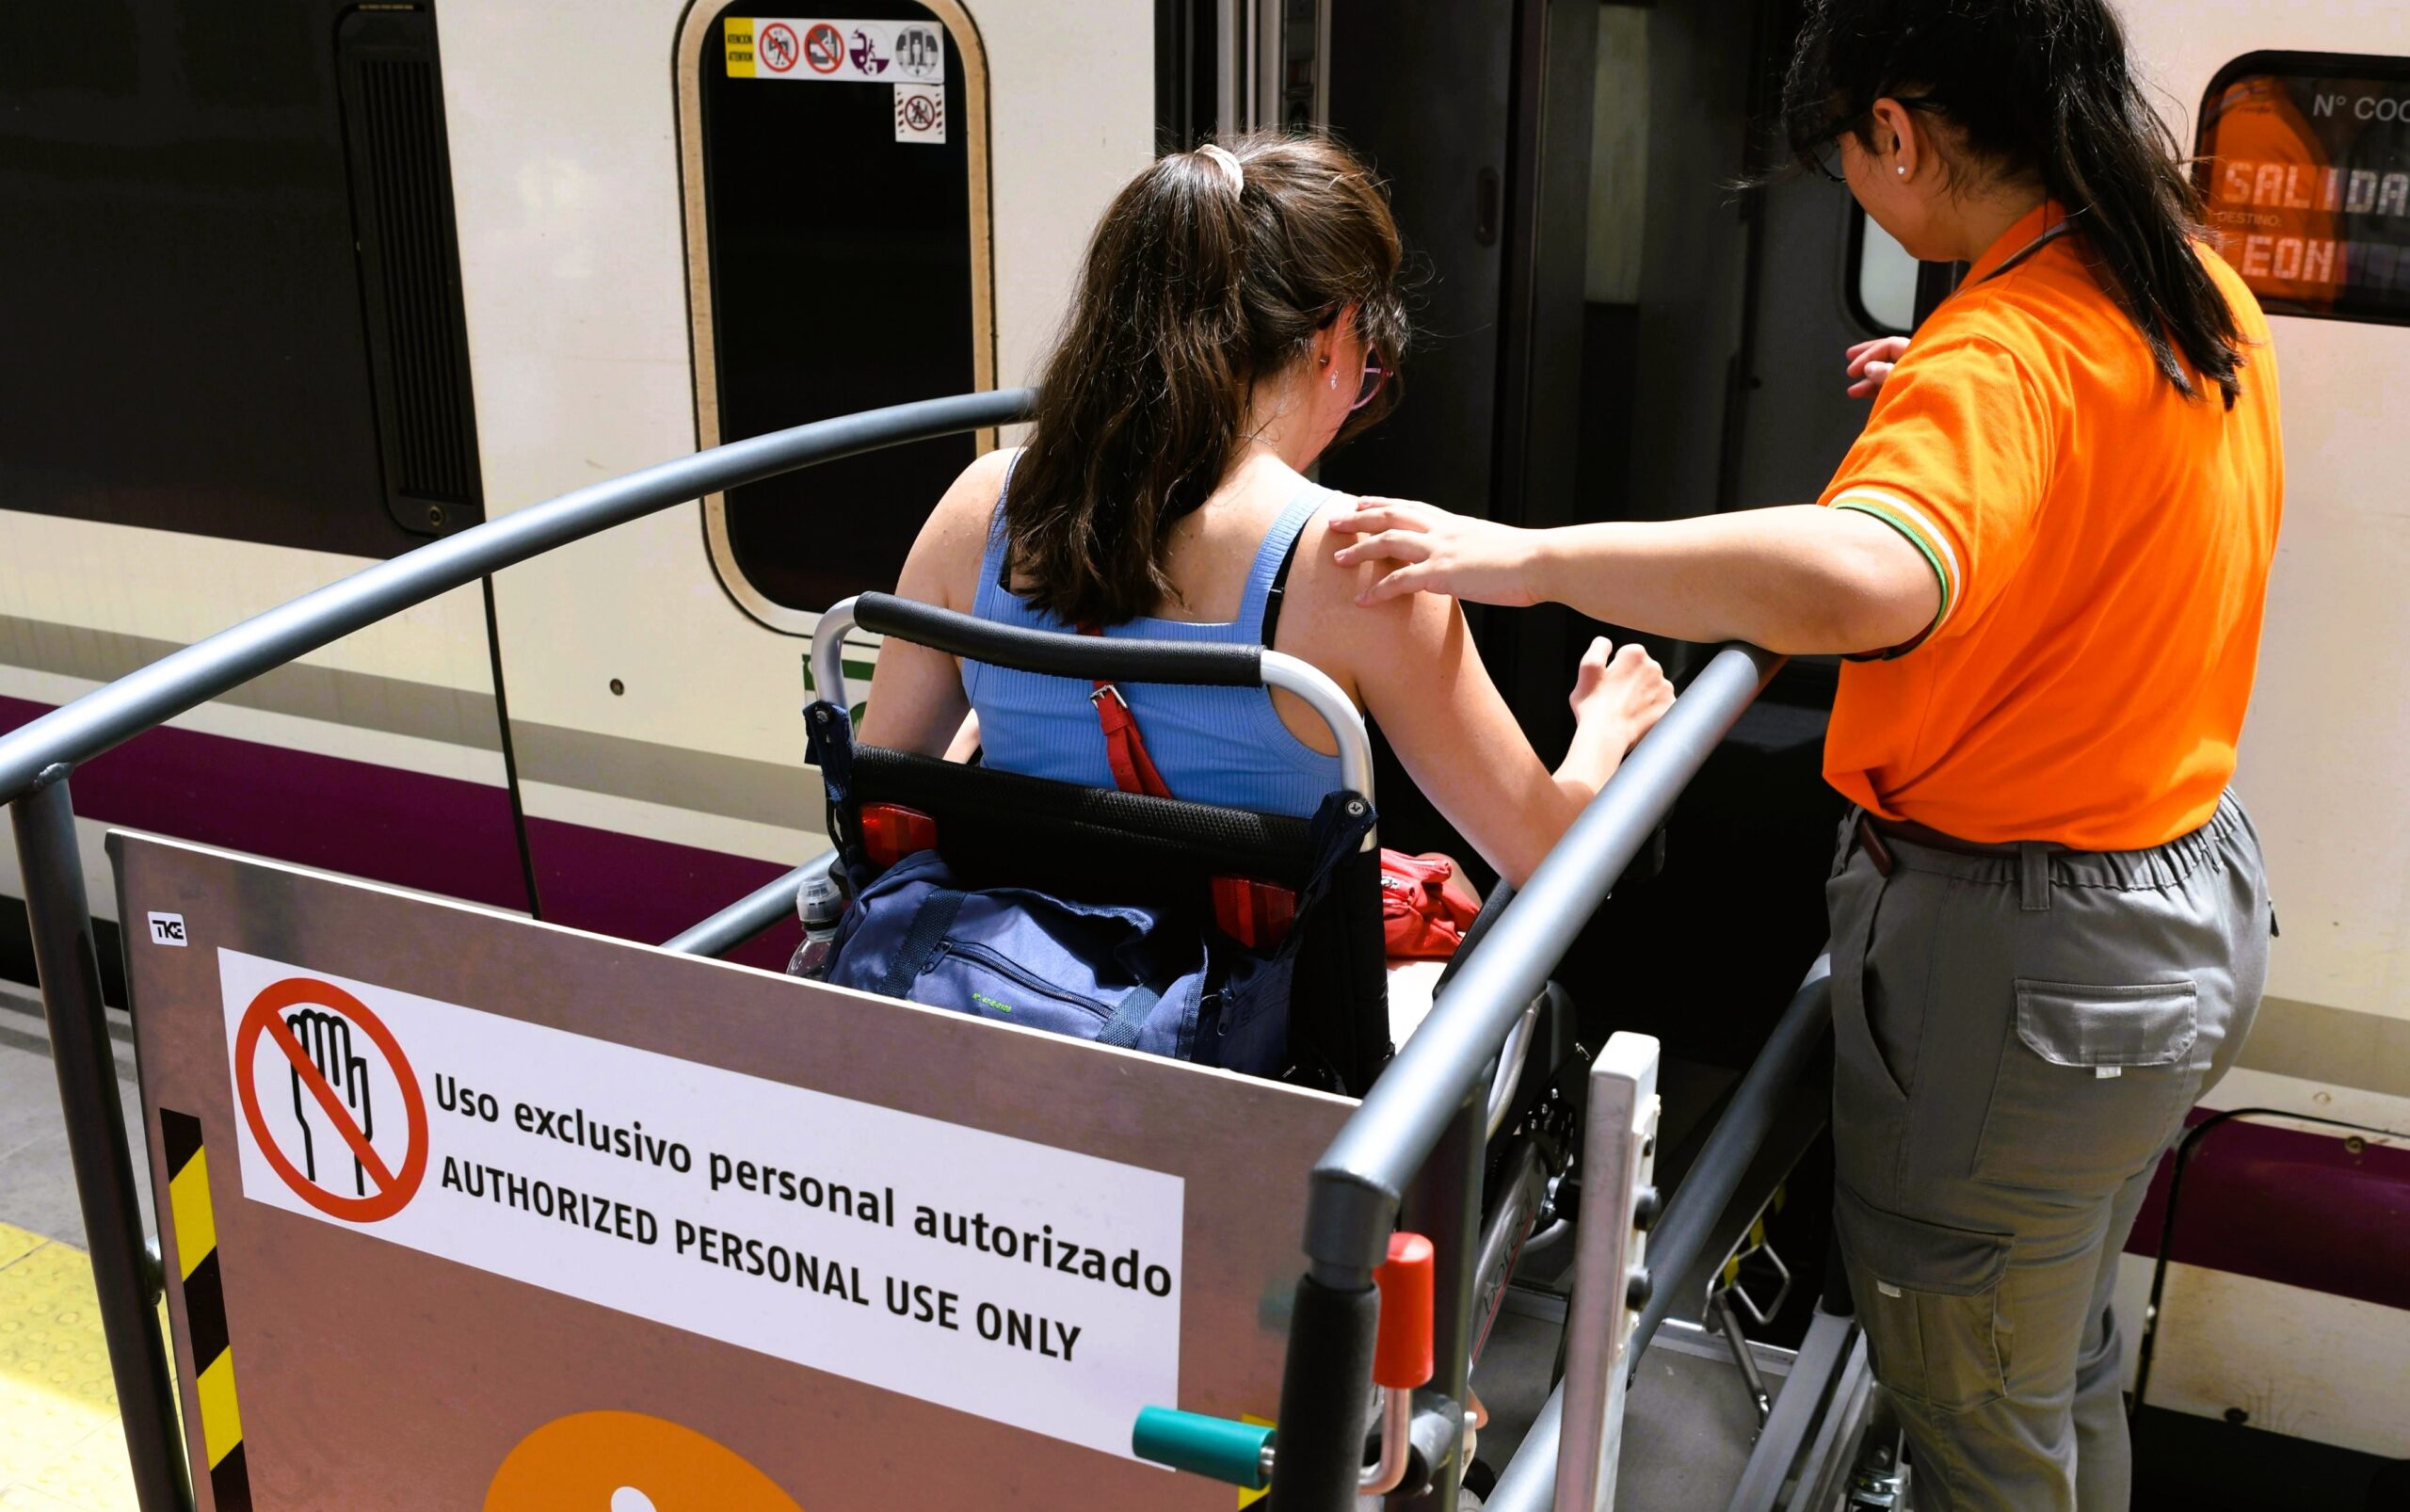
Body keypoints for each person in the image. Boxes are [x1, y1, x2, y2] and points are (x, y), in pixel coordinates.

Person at [1328, 3, 2279, 1507]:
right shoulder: (2181, 286)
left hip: (2025, 956)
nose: (1865, 198)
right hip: (2182, 901)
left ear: (1894, 130)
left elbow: (1864, 579)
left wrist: (1526, 555)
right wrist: (1953, 390)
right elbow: (2083, 460)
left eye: (1849, 166)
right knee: (2059, 1362)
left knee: (1973, 1413)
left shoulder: (2003, 358)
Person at [857, 132, 1674, 899]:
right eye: (1367, 367)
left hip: (1010, 972)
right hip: (1248, 1002)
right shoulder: (1359, 562)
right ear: (1332, 339)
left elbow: (881, 796)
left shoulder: (983, 506)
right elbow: (1545, 857)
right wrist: (1606, 729)